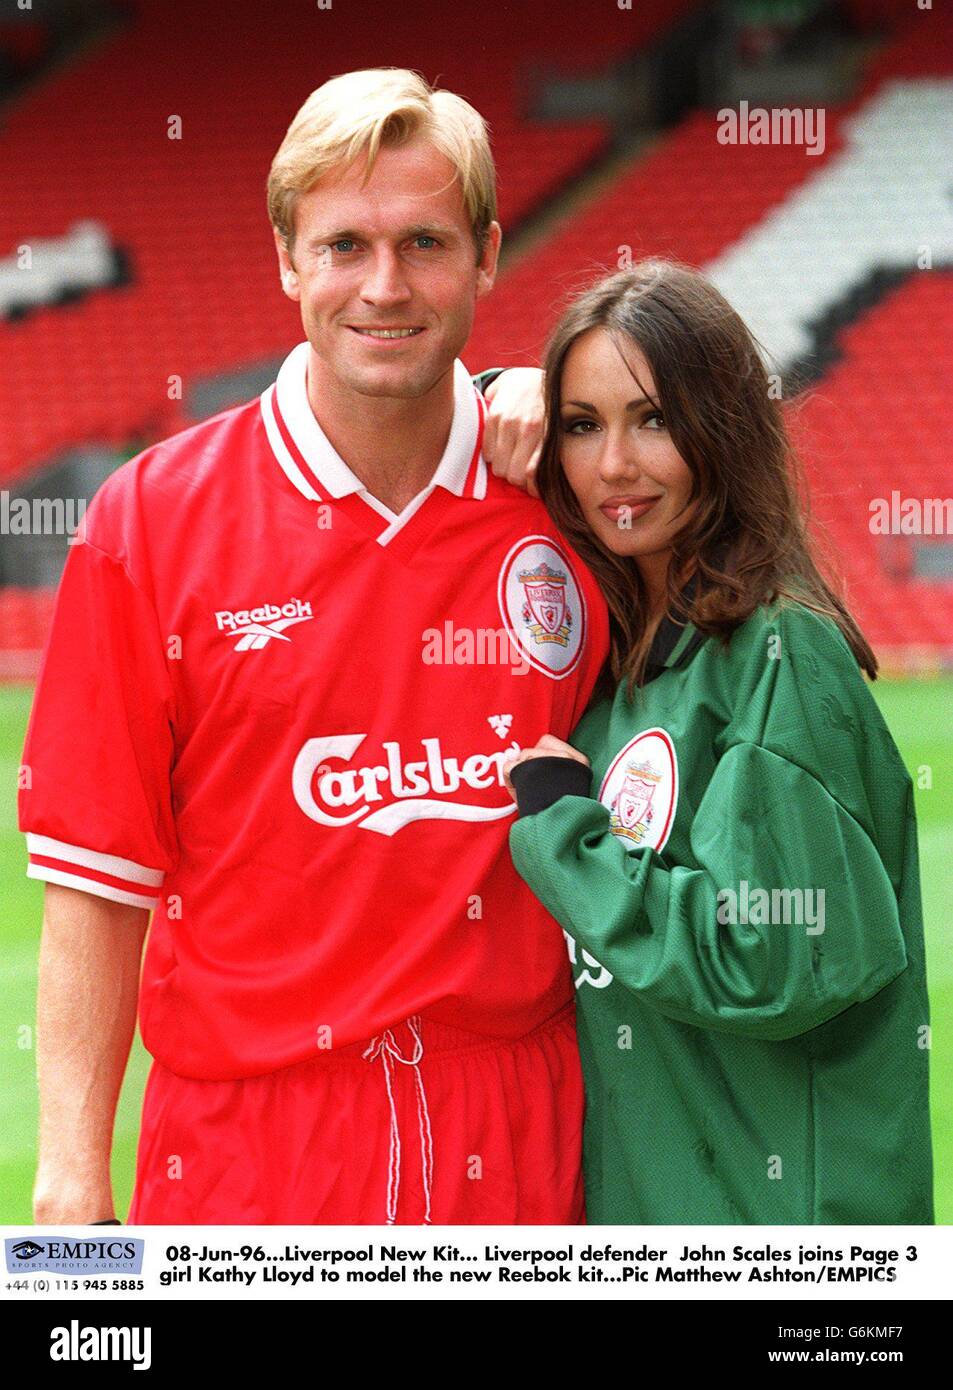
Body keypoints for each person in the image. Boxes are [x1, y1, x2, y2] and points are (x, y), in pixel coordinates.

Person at [20, 68, 609, 1226]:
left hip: (520, 1131)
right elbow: (97, 882)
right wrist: (70, 1182)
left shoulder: (570, 495)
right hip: (248, 1149)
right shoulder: (150, 521)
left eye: (425, 243)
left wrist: (566, 395)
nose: (384, 287)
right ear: (287, 258)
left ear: (488, 255)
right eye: (344, 245)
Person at [502, 261, 934, 1224]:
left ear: (723, 429)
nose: (613, 464)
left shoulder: (780, 653)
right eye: (581, 424)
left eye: (652, 418)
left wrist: (566, 838)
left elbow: (775, 953)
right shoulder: (611, 673)